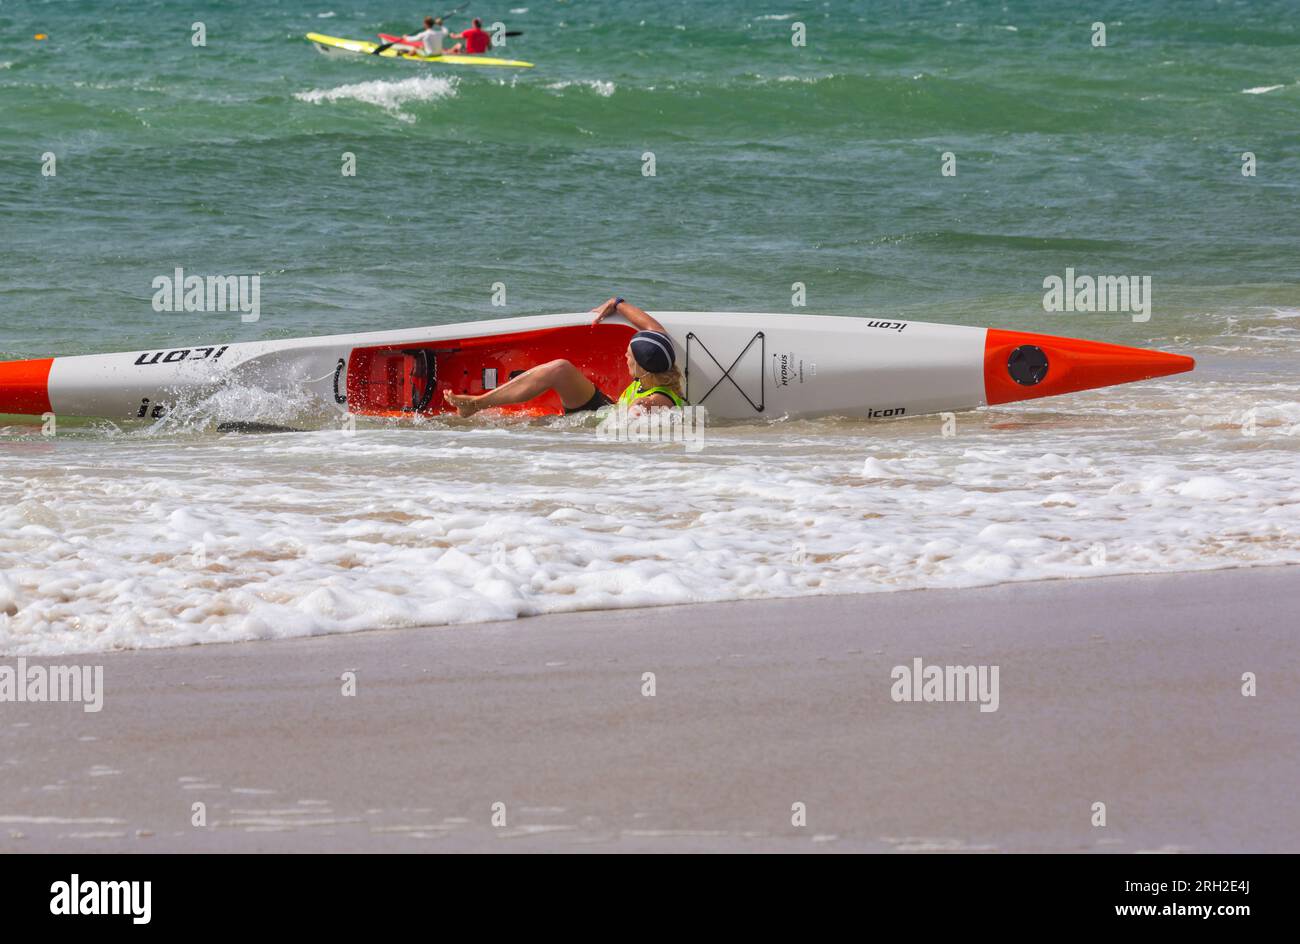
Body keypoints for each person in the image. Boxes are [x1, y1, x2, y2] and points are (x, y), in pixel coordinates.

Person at [444, 298, 688, 417]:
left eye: (630, 355)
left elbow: (635, 425)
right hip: (607, 409)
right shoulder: (660, 358)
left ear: (644, 369)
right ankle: (476, 404)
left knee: (538, 426)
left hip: (597, 425)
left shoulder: (656, 401)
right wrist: (617, 303)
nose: (625, 355)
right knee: (560, 369)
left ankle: (475, 406)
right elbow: (653, 329)